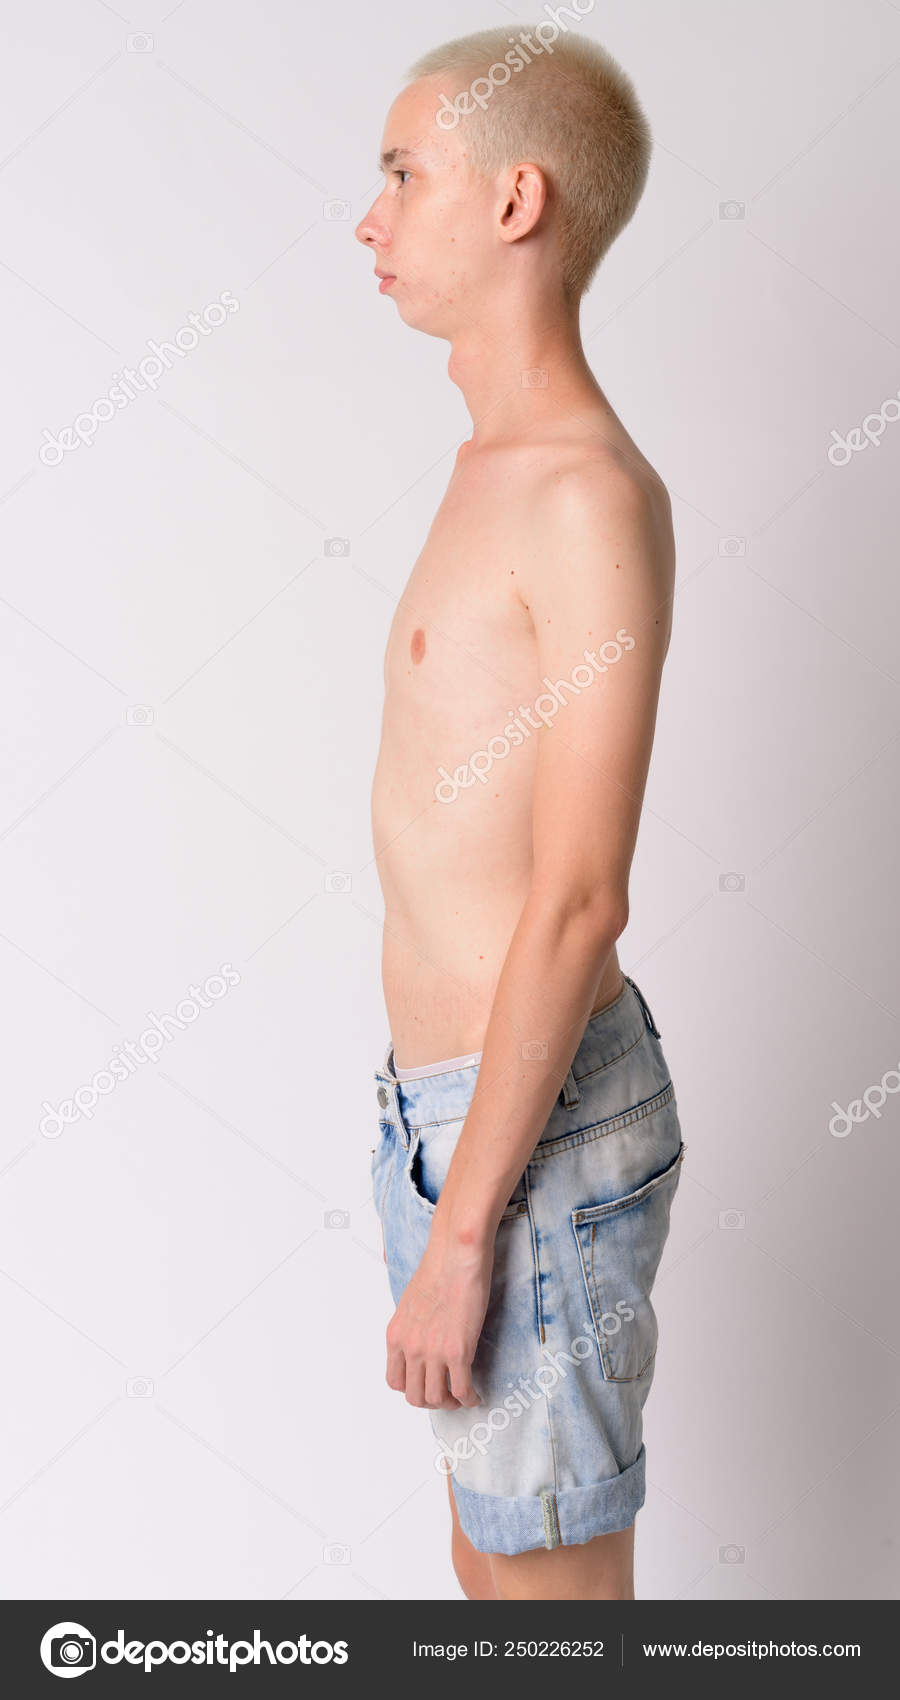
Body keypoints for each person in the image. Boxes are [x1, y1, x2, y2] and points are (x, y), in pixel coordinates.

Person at [357, 22, 684, 1602]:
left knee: (551, 1625)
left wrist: (467, 1227)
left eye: (404, 173)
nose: (371, 217)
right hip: (455, 1124)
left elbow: (577, 899)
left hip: (525, 1137)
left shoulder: (581, 493)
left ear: (515, 203)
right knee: (507, 1601)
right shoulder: (484, 463)